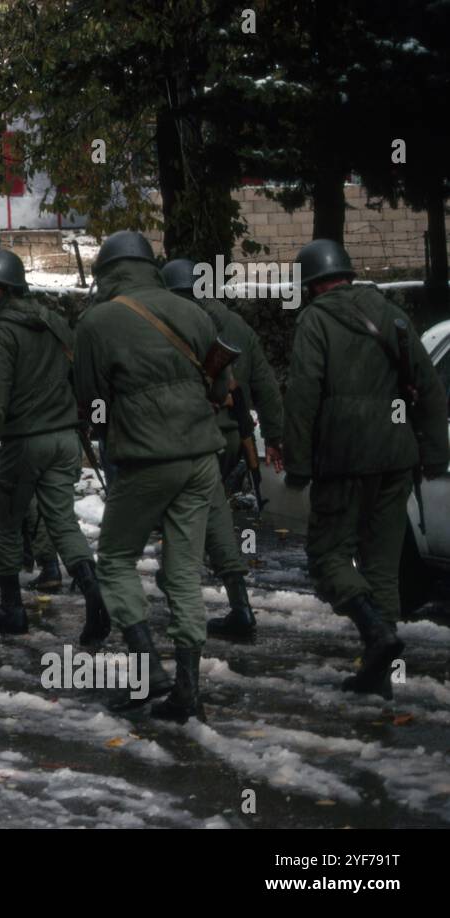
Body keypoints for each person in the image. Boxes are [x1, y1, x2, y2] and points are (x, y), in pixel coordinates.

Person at [73, 231, 228, 722]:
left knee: (116, 558)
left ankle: (147, 668)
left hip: (145, 458)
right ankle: (188, 689)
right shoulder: (194, 312)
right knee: (183, 570)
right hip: (202, 457)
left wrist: (103, 427)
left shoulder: (98, 320)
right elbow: (222, 388)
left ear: (108, 273)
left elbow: (91, 401)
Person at [285, 238, 448, 699]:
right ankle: (381, 674)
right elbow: (429, 388)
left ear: (312, 283)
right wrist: (434, 455)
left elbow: (302, 397)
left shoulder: (315, 321)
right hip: (398, 457)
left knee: (326, 555)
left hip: (343, 459)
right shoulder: (392, 314)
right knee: (382, 564)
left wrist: (298, 463)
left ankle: (375, 633)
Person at [0, 249, 110, 648]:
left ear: (7, 287)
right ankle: (94, 596)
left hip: (25, 441)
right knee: (62, 520)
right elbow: (79, 374)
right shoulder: (53, 322)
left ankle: (12, 607)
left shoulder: (0, 332)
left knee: (9, 519)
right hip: (65, 437)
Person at [161, 257, 285, 641]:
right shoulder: (237, 324)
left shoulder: (170, 320)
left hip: (188, 439)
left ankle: (180, 601)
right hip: (232, 440)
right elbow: (264, 383)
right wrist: (277, 437)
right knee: (215, 518)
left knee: (181, 522)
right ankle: (237, 605)